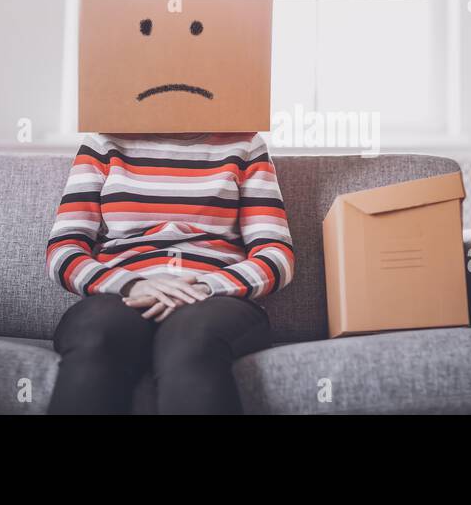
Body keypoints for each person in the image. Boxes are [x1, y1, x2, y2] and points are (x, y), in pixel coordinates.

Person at [44, 132, 294, 414]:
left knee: (191, 338)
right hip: (121, 294)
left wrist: (203, 286)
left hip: (214, 299)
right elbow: (64, 250)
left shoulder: (246, 144)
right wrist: (130, 285)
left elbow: (275, 254)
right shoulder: (102, 143)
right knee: (98, 334)